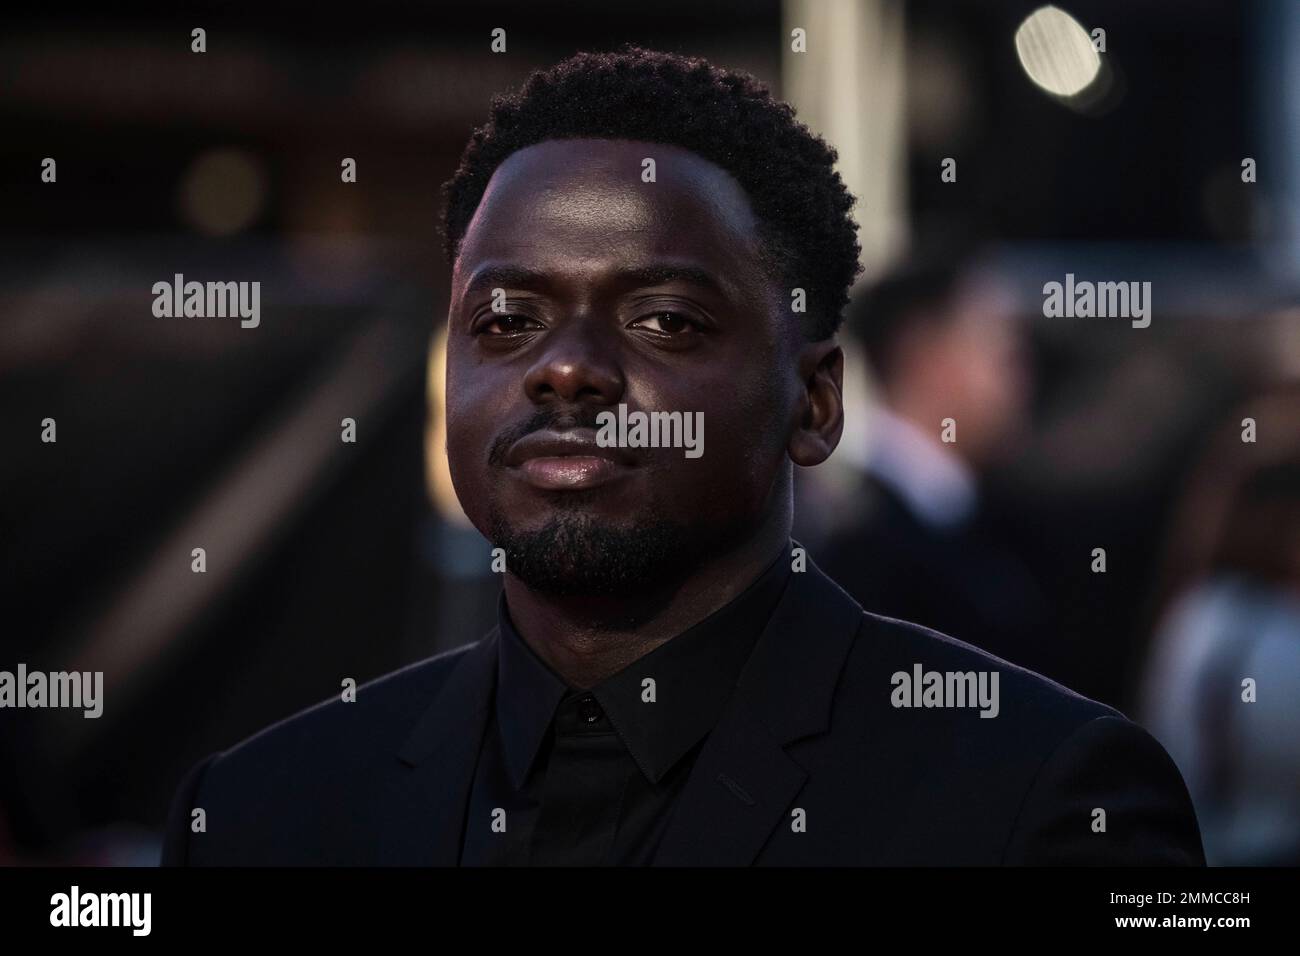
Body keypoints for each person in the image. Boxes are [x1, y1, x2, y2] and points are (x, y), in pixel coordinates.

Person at [161, 46, 1202, 866]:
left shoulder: (1040, 798)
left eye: (663, 320)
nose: (565, 373)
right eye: (507, 317)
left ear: (813, 399)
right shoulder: (260, 811)